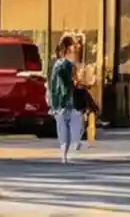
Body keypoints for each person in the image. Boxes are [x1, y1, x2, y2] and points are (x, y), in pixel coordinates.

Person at [49, 34, 83, 163]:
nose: (76, 50)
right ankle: (69, 148)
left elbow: (55, 85)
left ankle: (66, 153)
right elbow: (65, 84)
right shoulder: (65, 65)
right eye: (74, 47)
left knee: (66, 127)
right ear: (68, 50)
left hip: (62, 102)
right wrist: (74, 82)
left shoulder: (60, 65)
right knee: (71, 124)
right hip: (63, 102)